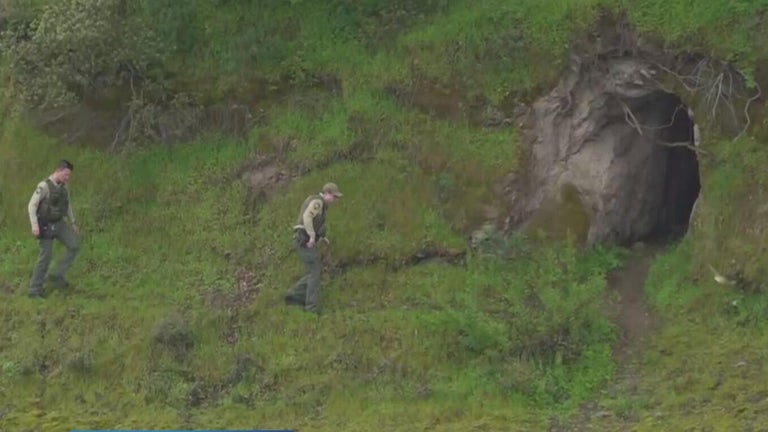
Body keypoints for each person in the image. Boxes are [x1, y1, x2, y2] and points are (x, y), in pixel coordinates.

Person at [284, 182, 343, 314]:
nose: (334, 200)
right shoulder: (318, 202)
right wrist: (311, 235)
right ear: (327, 193)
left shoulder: (321, 204)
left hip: (303, 239)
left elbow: (317, 223)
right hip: (303, 239)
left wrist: (322, 236)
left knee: (313, 271)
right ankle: (311, 307)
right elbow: (307, 217)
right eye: (334, 196)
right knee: (315, 271)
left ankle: (295, 295)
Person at [27, 160, 80, 298]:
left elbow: (67, 205)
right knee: (45, 257)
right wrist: (34, 225)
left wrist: (73, 223)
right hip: (45, 225)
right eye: (66, 174)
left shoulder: (64, 186)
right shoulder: (44, 186)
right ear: (59, 170)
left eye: (69, 175)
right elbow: (32, 206)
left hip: (59, 224)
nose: (67, 178)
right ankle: (34, 290)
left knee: (74, 246)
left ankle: (57, 274)